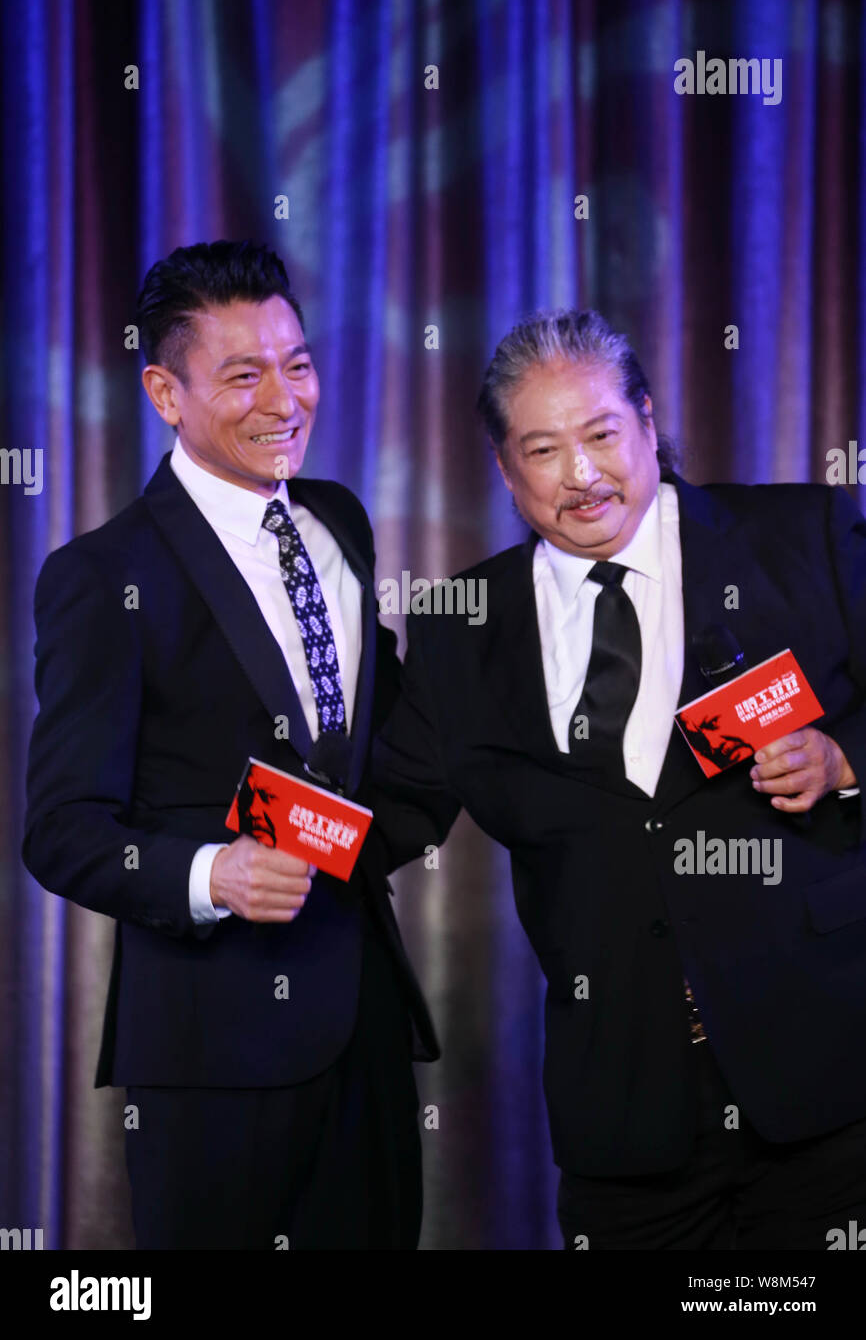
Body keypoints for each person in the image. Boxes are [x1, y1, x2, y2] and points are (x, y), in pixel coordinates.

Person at [372, 308, 866, 1250]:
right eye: (544, 449)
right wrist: (223, 856)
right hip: (627, 1117)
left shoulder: (800, 535)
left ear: (646, 419)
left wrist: (844, 760)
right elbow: (390, 809)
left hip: (829, 1079)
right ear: (508, 471)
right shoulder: (460, 625)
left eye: (601, 433)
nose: (582, 474)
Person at [23, 239, 437, 1250]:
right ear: (165, 392)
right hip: (214, 1044)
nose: (283, 398)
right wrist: (213, 872)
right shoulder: (102, 575)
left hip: (367, 1021)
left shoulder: (335, 516)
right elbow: (62, 829)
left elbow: (370, 724)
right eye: (242, 374)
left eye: (295, 363)